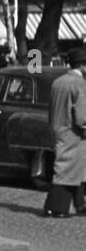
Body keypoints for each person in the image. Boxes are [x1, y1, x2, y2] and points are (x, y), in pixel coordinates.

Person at [44, 47, 86, 218]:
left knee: (77, 170)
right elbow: (82, 115)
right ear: (82, 66)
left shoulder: (58, 82)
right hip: (74, 133)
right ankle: (56, 207)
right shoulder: (80, 84)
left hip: (58, 128)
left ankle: (80, 203)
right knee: (66, 171)